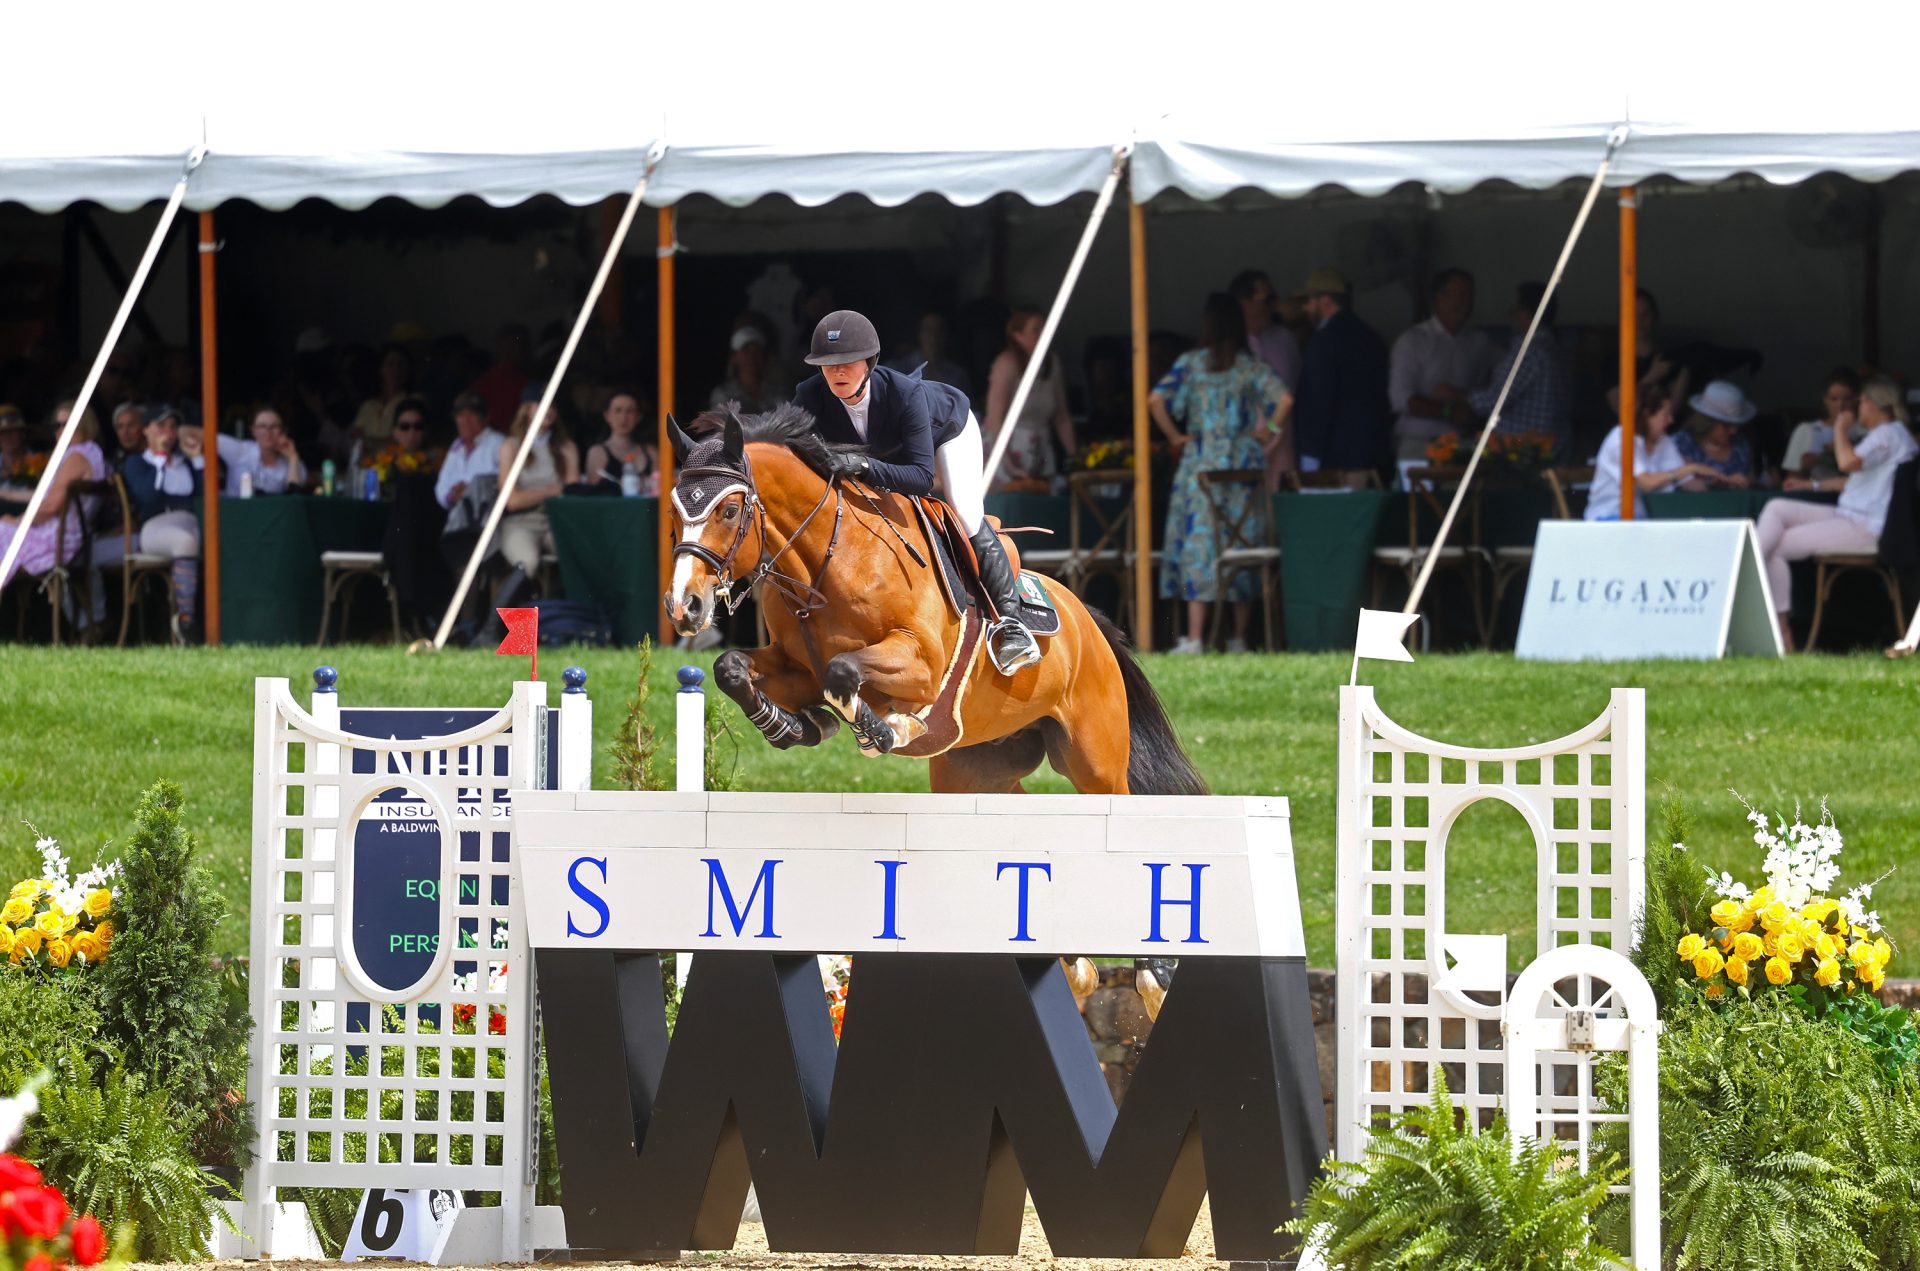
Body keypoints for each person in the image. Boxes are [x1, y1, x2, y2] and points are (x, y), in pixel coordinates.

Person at [792, 308, 1040, 674]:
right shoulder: (809, 396)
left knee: (965, 512)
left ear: (870, 363)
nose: (837, 372)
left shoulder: (904, 394)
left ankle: (1011, 622)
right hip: (887, 455)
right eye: (827, 365)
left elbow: (922, 478)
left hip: (948, 431)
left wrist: (863, 466)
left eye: (847, 362)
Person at [1149, 292, 1291, 654]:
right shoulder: (1249, 366)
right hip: (1242, 459)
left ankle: (1195, 637)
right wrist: (1269, 432)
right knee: (1240, 541)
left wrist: (1176, 437)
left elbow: (1155, 399)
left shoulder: (1193, 364)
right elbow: (1285, 399)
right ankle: (1239, 637)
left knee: (1200, 542)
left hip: (1202, 459)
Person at [1758, 376, 1918, 649]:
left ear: (1872, 404)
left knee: (1779, 546)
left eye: (1860, 402)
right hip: (1850, 514)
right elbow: (1858, 482)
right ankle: (1748, 567)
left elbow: (1846, 462)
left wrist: (1840, 429)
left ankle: (1779, 627)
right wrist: (1811, 484)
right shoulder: (1892, 434)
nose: (1856, 408)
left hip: (1866, 526)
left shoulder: (1887, 434)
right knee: (1776, 507)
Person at [1290, 268, 1391, 478]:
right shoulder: (1371, 337)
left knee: (1334, 511)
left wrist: (1310, 456)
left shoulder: (1324, 342)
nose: (1306, 308)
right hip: (1373, 455)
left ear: (1325, 301)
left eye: (1309, 300)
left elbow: (1316, 402)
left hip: (1335, 460)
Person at [1389, 268, 1496, 465]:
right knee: (1416, 496)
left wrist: (1463, 401)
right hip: (1420, 443)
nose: (1466, 302)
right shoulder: (1413, 341)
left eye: (1470, 295)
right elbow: (1402, 399)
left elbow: (1491, 389)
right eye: (1460, 294)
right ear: (1439, 298)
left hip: (1463, 444)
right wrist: (1449, 411)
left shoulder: (1480, 343)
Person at [1455, 282, 1572, 455]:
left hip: (1524, 455)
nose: (1511, 313)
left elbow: (1495, 400)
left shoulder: (1530, 352)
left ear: (1527, 313)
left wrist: (1455, 396)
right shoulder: (1555, 349)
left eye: (1515, 308)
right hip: (1551, 450)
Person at [120, 405, 203, 643]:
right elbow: (148, 497)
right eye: (160, 426)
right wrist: (158, 460)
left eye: (172, 426)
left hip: (192, 522)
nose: (167, 432)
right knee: (186, 541)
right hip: (156, 527)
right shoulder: (137, 463)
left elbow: (205, 498)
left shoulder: (183, 463)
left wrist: (197, 459)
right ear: (146, 430)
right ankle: (186, 622)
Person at [0, 409, 106, 592]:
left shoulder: (77, 456)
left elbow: (50, 507)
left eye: (68, 423)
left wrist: (17, 521)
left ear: (85, 424)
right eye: (57, 425)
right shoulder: (90, 452)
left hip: (58, 541)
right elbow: (47, 496)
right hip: (69, 536)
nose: (61, 429)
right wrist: (8, 496)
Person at [1584, 390, 1721, 520]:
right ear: (1647, 415)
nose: (1671, 420)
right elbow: (1647, 483)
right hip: (1607, 519)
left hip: (1642, 520)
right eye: (1666, 415)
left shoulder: (1662, 441)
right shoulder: (1621, 438)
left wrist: (1719, 481)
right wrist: (1690, 468)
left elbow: (1687, 483)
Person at [493, 389, 580, 586]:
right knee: (527, 564)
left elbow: (572, 494)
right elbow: (512, 501)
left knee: (579, 558)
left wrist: (536, 494)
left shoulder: (566, 447)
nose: (548, 410)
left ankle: (561, 616)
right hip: (520, 523)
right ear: (526, 410)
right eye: (541, 404)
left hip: (555, 522)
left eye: (552, 405)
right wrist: (552, 491)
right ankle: (515, 618)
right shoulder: (511, 446)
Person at [982, 307, 1076, 488]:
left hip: (1041, 452)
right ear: (1018, 336)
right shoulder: (1007, 364)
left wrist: (1076, 460)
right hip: (1007, 453)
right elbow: (995, 419)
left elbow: (1062, 418)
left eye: (1045, 328)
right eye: (1036, 329)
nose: (1043, 334)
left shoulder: (1052, 364)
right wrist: (1009, 466)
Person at [180, 406, 308, 496]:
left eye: (274, 426)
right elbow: (185, 430)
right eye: (262, 426)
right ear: (253, 431)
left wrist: (293, 457)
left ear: (283, 431)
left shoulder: (292, 463)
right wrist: (194, 449)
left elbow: (294, 497)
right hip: (237, 517)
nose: (268, 432)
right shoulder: (241, 450)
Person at [1606, 288, 1688, 417]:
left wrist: (1686, 367)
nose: (1639, 321)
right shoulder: (1613, 362)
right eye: (1633, 314)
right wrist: (1652, 376)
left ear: (1654, 316)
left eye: (1645, 314)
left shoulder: (1668, 359)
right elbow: (1621, 410)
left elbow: (1672, 413)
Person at [1229, 270, 1302, 397]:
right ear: (1243, 303)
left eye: (1273, 298)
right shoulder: (1226, 347)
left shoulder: (1285, 339)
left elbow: (1300, 387)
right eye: (1268, 299)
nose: (1272, 306)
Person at [1673, 380, 1759, 486]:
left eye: (1736, 425)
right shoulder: (1681, 443)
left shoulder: (1741, 447)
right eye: (1726, 425)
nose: (1733, 431)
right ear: (1707, 422)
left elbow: (1752, 480)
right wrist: (1711, 483)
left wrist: (1745, 482)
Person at [1782, 368, 1862, 478]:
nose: (1841, 405)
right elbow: (1792, 476)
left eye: (1847, 399)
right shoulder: (1806, 430)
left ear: (1856, 399)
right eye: (1834, 399)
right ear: (1825, 400)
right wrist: (1806, 466)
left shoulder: (1866, 431)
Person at [435, 392, 505, 510]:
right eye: (461, 415)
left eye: (472, 414)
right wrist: (451, 496)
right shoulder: (456, 446)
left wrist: (470, 491)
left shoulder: (499, 443)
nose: (466, 420)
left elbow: (503, 484)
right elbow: (442, 485)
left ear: (486, 418)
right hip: (459, 517)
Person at [582, 389, 658, 494]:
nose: (623, 418)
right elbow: (595, 493)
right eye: (618, 410)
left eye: (630, 411)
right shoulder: (597, 452)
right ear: (607, 415)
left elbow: (660, 488)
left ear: (638, 417)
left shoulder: (651, 452)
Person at [886, 310, 973, 399]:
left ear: (947, 336)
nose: (934, 337)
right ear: (919, 334)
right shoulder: (897, 370)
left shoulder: (958, 376)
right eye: (928, 330)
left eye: (939, 331)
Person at [707, 326, 787, 415]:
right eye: (746, 351)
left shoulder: (778, 393)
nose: (752, 357)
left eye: (757, 351)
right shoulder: (723, 395)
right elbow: (725, 427)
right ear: (734, 357)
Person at [351, 344, 414, 444]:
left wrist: (367, 441)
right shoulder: (369, 405)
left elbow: (403, 440)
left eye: (401, 364)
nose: (396, 370)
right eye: (390, 364)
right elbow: (355, 437)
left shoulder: (413, 401)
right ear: (381, 368)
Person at [106, 400, 148, 468]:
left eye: (131, 425)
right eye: (120, 427)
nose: (125, 432)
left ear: (143, 426)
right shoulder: (114, 462)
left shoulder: (156, 455)